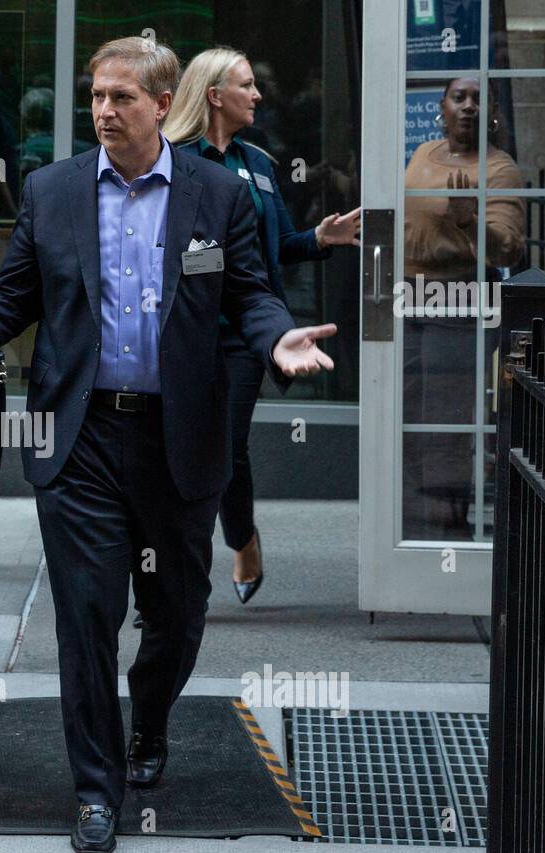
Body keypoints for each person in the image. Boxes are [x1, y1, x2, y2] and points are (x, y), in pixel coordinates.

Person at [0, 37, 336, 853]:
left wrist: (278, 343)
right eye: (96, 96)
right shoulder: (53, 191)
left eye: (122, 97)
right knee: (85, 618)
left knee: (176, 615)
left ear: (163, 105)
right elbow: (12, 296)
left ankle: (149, 717)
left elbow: (252, 295)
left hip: (178, 440)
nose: (103, 110)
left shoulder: (216, 194)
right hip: (82, 440)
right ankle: (96, 792)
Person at [161, 47, 359, 604]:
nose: (258, 95)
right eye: (246, 86)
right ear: (215, 95)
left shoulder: (260, 166)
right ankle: (167, 574)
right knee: (172, 446)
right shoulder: (170, 160)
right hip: (182, 330)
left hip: (244, 334)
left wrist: (318, 240)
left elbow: (266, 253)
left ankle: (241, 538)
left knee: (225, 446)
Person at [402, 77, 523, 538]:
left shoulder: (498, 168)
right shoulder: (422, 155)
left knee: (447, 425)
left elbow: (509, 250)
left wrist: (470, 219)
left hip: (458, 303)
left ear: (491, 112)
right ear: (443, 106)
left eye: (478, 100)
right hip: (405, 301)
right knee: (407, 417)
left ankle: (447, 533)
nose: (468, 107)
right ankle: (414, 524)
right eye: (459, 98)